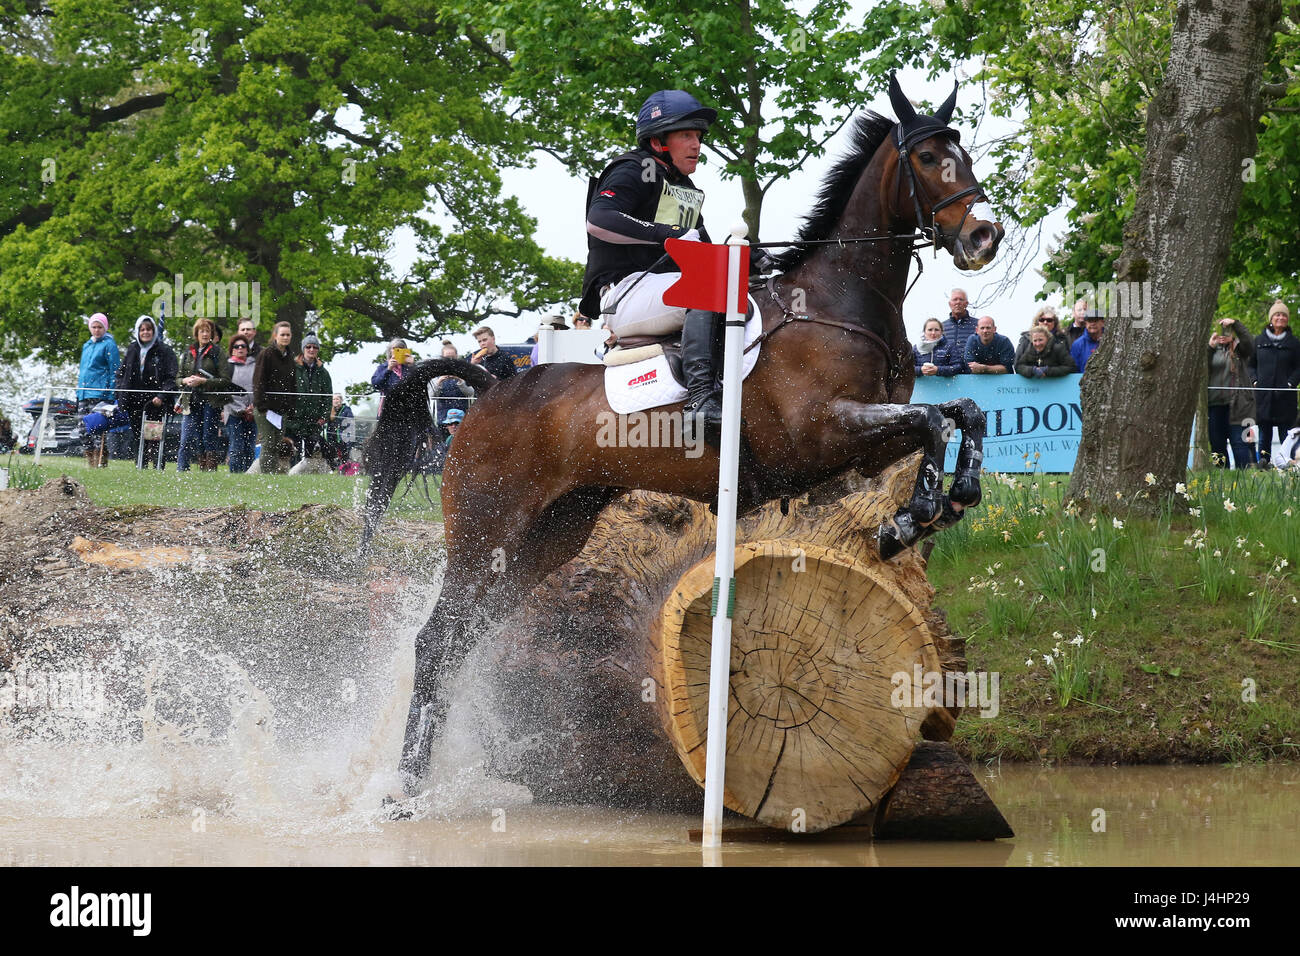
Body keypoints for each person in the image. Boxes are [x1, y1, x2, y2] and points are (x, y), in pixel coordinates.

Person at [581, 89, 758, 446]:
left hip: (659, 291)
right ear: (659, 140)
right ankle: (700, 401)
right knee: (708, 286)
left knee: (733, 282)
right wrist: (670, 236)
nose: (697, 145)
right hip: (624, 292)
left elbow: (703, 251)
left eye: (699, 137)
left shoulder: (683, 187)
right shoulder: (634, 168)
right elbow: (598, 219)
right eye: (687, 135)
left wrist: (751, 259)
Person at [115, 314, 177, 468]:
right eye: (142, 330)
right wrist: (120, 392)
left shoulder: (164, 350)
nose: (145, 332)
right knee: (138, 436)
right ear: (138, 331)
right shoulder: (132, 349)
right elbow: (122, 374)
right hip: (134, 401)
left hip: (155, 402)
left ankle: (157, 467)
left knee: (154, 436)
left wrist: (162, 396)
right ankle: (140, 466)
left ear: (153, 331)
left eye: (149, 329)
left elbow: (170, 377)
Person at [1248, 300, 1300, 466]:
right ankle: (1264, 464)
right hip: (1263, 397)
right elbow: (1251, 365)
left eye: (1284, 315)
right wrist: (1255, 381)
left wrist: (1291, 384)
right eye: (1277, 314)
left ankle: (1287, 464)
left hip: (1286, 397)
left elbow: (1299, 368)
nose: (1280, 318)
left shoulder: (1294, 343)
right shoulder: (1258, 341)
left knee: (1288, 433)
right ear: (1271, 318)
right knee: (1264, 433)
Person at [176, 318, 231, 471]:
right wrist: (185, 380)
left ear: (212, 334)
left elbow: (225, 380)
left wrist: (203, 382)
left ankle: (210, 470)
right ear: (196, 333)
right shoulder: (188, 352)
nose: (205, 334)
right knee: (189, 437)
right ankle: (185, 470)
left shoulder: (217, 352)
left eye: (208, 331)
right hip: (191, 400)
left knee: (208, 436)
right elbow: (178, 378)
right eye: (202, 331)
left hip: (210, 402)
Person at [1207, 318, 1256, 469]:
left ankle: (1244, 480)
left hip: (1238, 405)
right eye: (1220, 331)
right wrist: (1210, 347)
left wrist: (1235, 324)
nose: (1223, 335)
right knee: (1217, 445)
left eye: (1226, 331)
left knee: (1239, 443)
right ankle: (1221, 481)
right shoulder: (1211, 350)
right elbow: (1201, 369)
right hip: (1214, 406)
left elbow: (1249, 343)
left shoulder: (1240, 350)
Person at [253, 321, 297, 474]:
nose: (285, 337)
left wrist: (291, 405)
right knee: (268, 442)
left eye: (288, 335)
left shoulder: (290, 357)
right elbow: (258, 381)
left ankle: (273, 474)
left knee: (277, 443)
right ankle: (267, 476)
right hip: (265, 409)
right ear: (275, 336)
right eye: (282, 334)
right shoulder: (266, 354)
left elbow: (292, 383)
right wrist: (262, 406)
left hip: (281, 410)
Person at [289, 334, 332, 462]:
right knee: (293, 453)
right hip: (293, 419)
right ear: (303, 349)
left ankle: (306, 480)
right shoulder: (292, 368)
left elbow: (327, 397)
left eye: (315, 347)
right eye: (308, 347)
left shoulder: (323, 373)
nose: (311, 350)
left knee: (310, 454)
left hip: (314, 421)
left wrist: (324, 416)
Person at [222, 334, 258, 473]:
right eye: (237, 346)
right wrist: (241, 410)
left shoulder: (255, 365)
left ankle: (248, 476)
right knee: (237, 447)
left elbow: (259, 387)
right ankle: (236, 476)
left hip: (253, 413)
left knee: (249, 448)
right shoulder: (227, 367)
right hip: (233, 413)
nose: (240, 348)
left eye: (243, 346)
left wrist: (253, 408)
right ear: (232, 349)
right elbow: (226, 391)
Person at [77, 313, 120, 414]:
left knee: (95, 426)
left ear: (105, 328)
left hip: (99, 393)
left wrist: (111, 394)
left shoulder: (109, 345)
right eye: (94, 327)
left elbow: (115, 370)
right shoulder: (86, 345)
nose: (96, 330)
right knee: (81, 426)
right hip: (83, 393)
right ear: (90, 328)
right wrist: (79, 392)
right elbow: (83, 370)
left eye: (100, 327)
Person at [433, 340, 473, 423]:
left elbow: (470, 393)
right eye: (447, 358)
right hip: (443, 418)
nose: (450, 360)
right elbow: (432, 395)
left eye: (452, 358)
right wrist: (439, 382)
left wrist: (460, 380)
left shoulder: (464, 372)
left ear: (457, 357)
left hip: (462, 418)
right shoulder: (435, 374)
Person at [371, 338, 415, 414]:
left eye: (401, 349)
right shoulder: (383, 367)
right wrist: (388, 369)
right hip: (387, 409)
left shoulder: (409, 368)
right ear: (389, 351)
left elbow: (417, 385)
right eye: (394, 349)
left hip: (406, 409)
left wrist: (413, 366)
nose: (397, 351)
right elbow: (376, 384)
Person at [941, 289, 979, 372]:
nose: (958, 302)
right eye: (955, 299)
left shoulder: (979, 325)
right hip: (946, 374)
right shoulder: (940, 327)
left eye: (961, 299)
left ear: (966, 303)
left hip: (972, 374)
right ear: (950, 304)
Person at [322, 393, 356, 469]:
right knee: (330, 458)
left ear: (341, 400)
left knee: (344, 459)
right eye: (333, 399)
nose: (335, 401)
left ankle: (343, 472)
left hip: (343, 440)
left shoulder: (347, 410)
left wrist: (349, 442)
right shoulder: (329, 411)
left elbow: (350, 426)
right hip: (330, 440)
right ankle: (333, 470)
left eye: (337, 399)